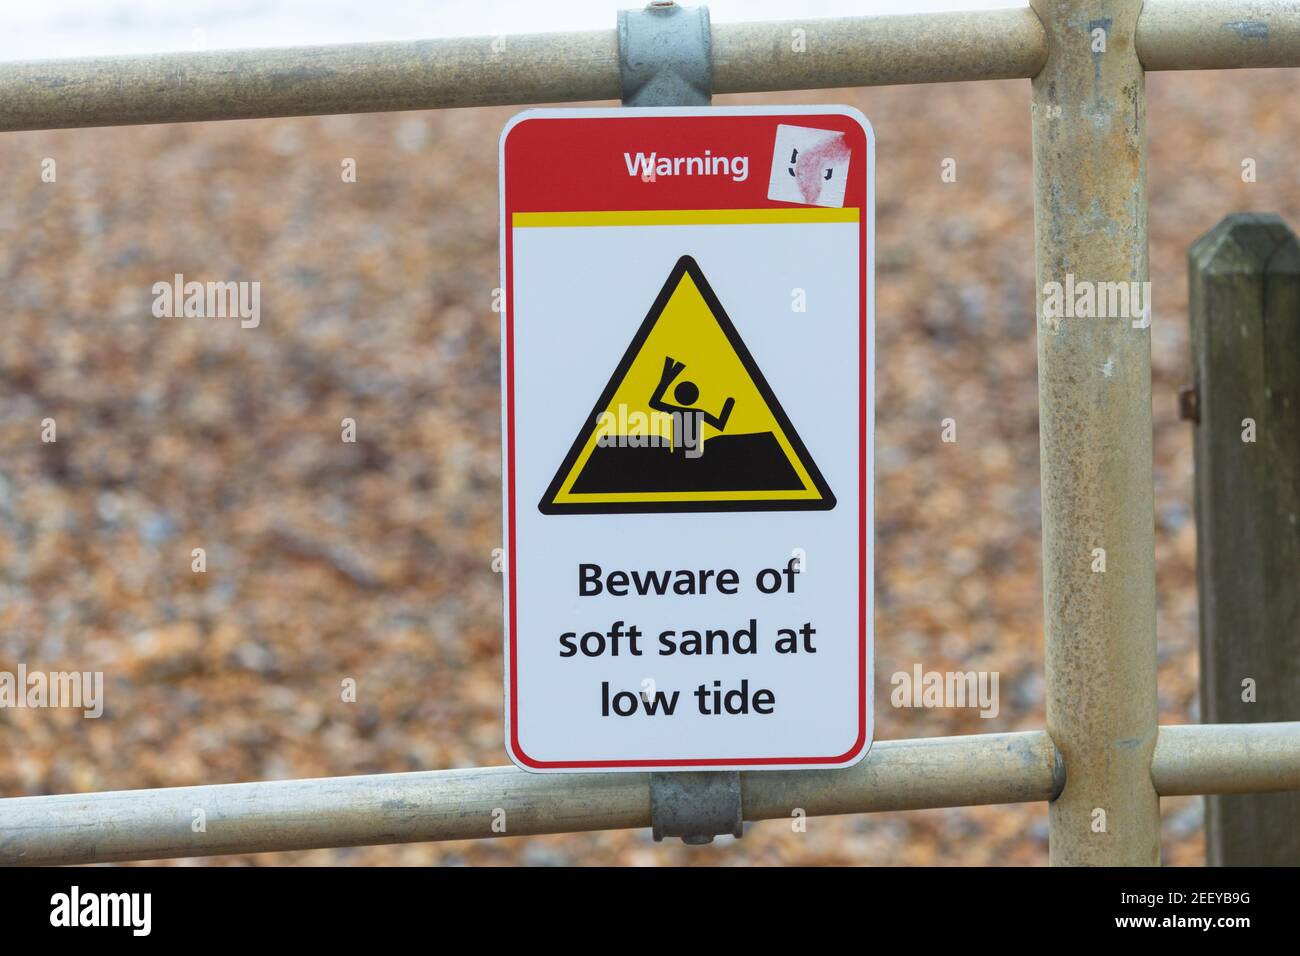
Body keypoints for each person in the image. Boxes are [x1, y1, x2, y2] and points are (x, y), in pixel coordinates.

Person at [649, 356, 735, 458]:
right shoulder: (697, 412)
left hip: (685, 455)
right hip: (692, 455)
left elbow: (654, 402)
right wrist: (729, 403)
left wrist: (666, 381)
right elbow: (720, 424)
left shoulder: (677, 411)